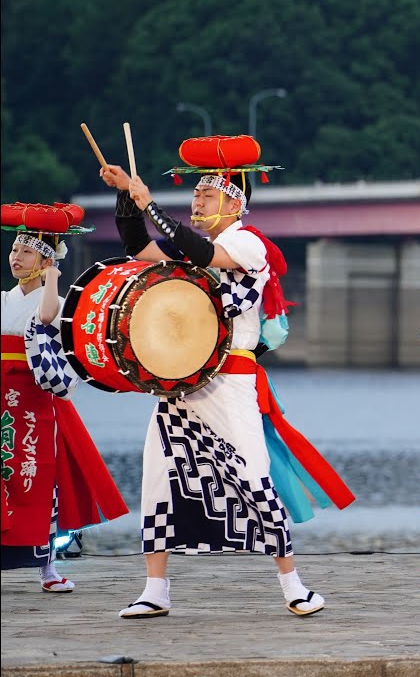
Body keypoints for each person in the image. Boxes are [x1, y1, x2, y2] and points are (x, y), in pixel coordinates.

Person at [99, 135, 354, 619]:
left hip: (231, 380)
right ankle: (156, 588)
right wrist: (126, 197)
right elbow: (139, 249)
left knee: (254, 478)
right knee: (158, 477)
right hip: (183, 382)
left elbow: (194, 251)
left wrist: (152, 205)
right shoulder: (199, 245)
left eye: (207, 193)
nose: (197, 198)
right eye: (195, 193)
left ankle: (293, 585)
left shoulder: (245, 243)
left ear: (235, 200)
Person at [1, 206, 128, 591]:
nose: (15, 257)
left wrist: (54, 278)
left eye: (25, 252)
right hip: (2, 399)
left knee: (43, 479)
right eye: (13, 251)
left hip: (36, 399)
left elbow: (45, 319)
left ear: (44, 258)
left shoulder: (55, 300)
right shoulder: (3, 299)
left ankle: (48, 569)